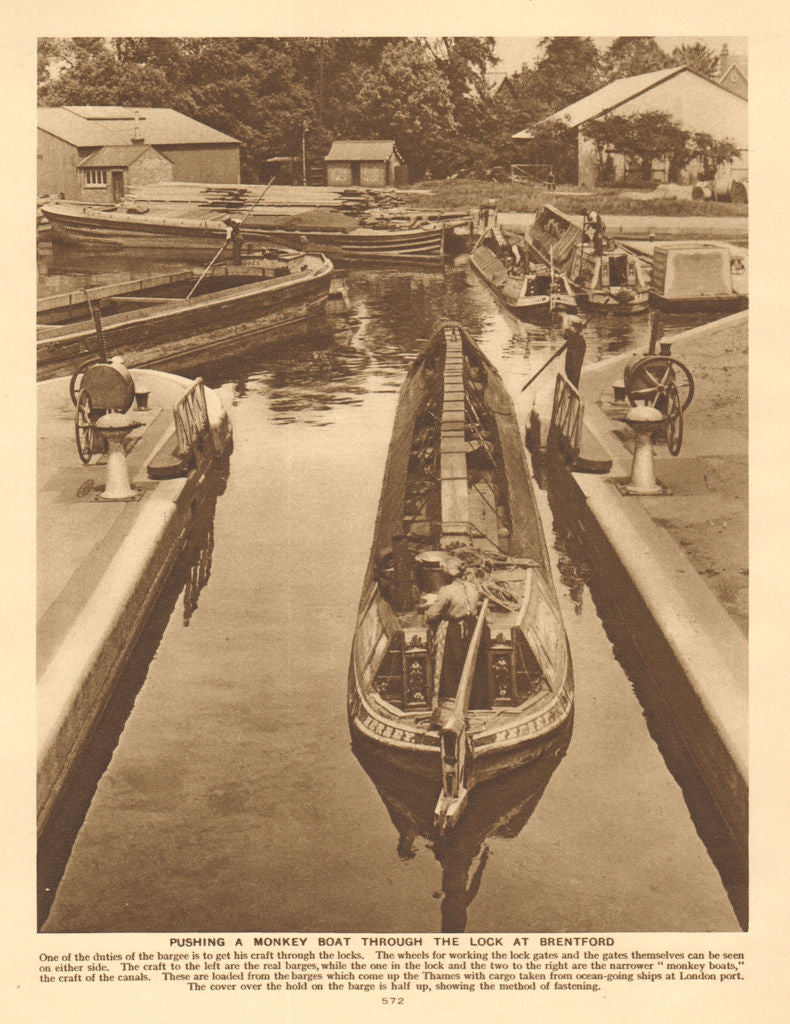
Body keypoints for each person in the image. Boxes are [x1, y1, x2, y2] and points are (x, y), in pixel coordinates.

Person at [425, 558, 480, 702]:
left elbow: (432, 614)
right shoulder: (473, 587)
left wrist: (429, 611)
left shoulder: (446, 590)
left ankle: (452, 698)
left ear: (448, 574)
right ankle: (473, 698)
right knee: (470, 659)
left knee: (452, 663)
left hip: (455, 630)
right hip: (472, 627)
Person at [562, 314, 587, 389]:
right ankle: (571, 387)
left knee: (575, 369)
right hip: (571, 344)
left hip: (578, 344)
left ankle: (574, 388)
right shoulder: (564, 321)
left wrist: (578, 327)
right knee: (568, 368)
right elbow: (565, 337)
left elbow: (583, 323)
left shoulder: (571, 318)